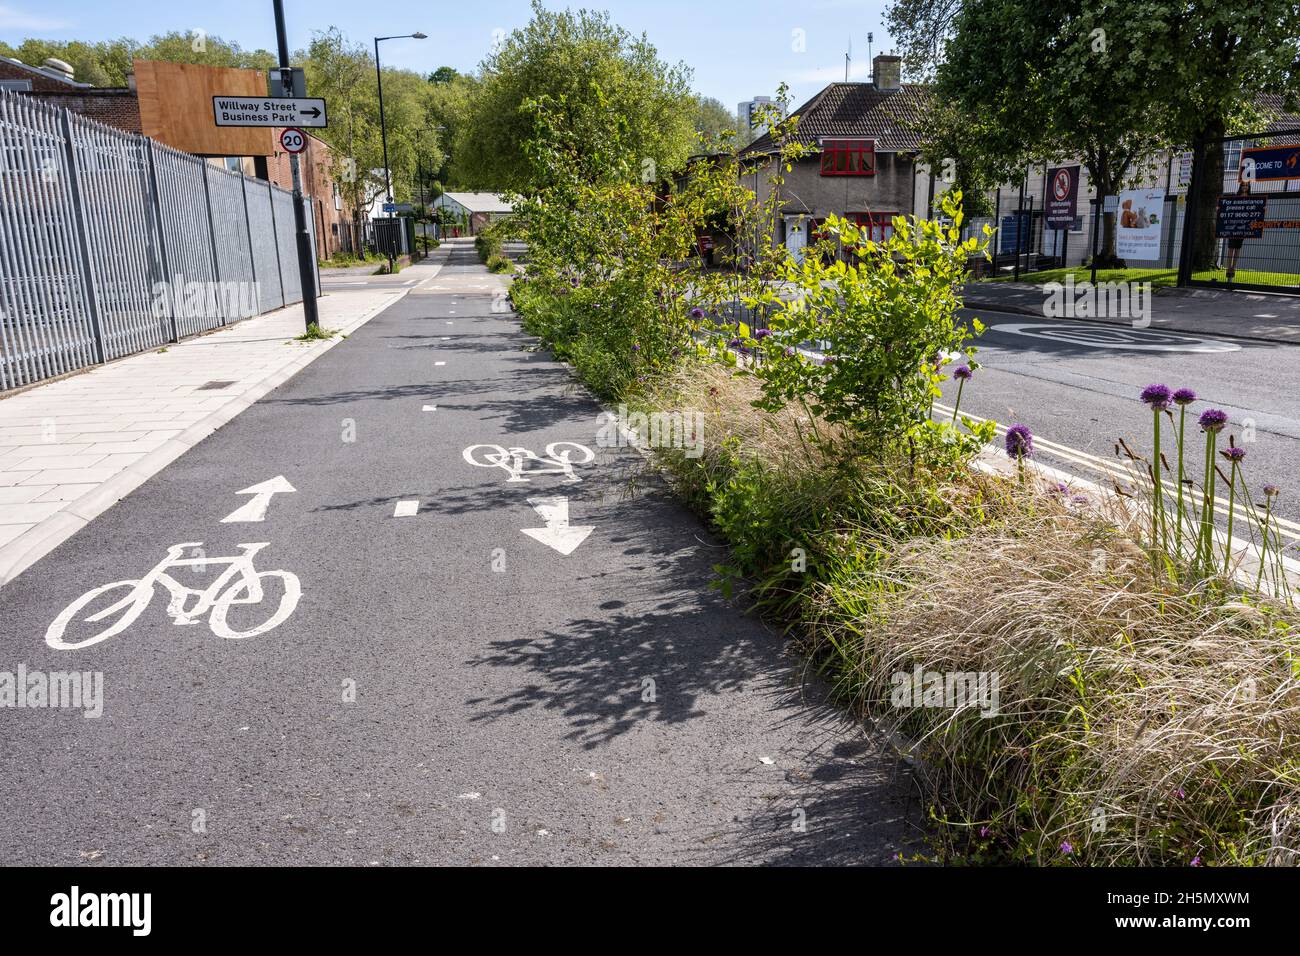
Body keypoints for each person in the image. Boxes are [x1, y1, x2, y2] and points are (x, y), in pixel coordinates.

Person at [1225, 180, 1251, 282]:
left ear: (1249, 187)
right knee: (1231, 248)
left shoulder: (1251, 199)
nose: (1245, 187)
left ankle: (1233, 268)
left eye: (1246, 185)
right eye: (1243, 185)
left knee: (1237, 248)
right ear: (1240, 187)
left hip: (1242, 227)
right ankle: (1228, 268)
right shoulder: (1235, 197)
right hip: (1233, 226)